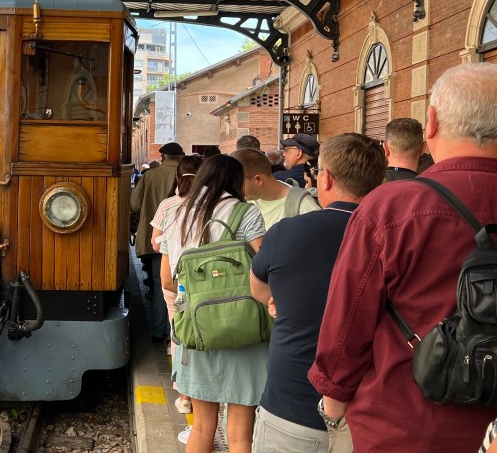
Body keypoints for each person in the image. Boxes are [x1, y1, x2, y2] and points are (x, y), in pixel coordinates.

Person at [309, 63, 497, 453]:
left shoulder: (394, 206)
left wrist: (333, 402)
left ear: (430, 124)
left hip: (403, 424)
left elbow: (348, 319)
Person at [249, 133, 386, 453]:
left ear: (325, 178)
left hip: (291, 401)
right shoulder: (393, 238)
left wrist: (283, 298)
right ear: (379, 182)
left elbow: (258, 290)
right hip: (368, 412)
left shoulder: (286, 231)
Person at [160, 154, 267, 453]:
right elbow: (266, 266)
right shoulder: (246, 213)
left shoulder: (176, 215)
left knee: (202, 428)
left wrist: (189, 304)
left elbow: (167, 280)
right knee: (240, 436)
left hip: (195, 329)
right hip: (243, 328)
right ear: (235, 181)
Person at [151, 154, 203, 414]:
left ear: (178, 177)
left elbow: (155, 241)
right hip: (204, 283)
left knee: (179, 333)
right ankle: (204, 388)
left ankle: (184, 394)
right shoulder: (212, 205)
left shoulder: (168, 205)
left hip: (176, 284)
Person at [132, 143, 185, 338]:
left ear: (162, 156)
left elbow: (135, 205)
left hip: (154, 237)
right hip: (182, 239)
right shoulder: (186, 176)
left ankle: (158, 330)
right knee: (182, 285)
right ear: (181, 156)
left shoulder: (149, 176)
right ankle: (177, 332)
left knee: (158, 283)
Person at [234, 148, 320, 228]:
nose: (236, 189)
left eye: (239, 184)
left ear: (258, 179)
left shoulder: (303, 206)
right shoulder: (242, 203)